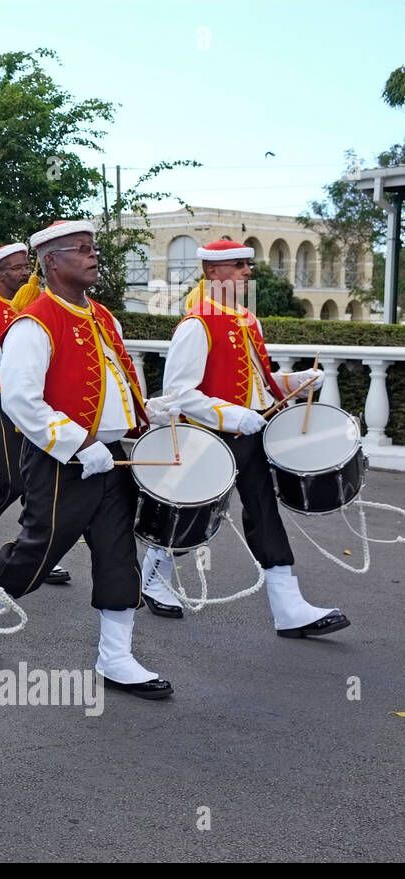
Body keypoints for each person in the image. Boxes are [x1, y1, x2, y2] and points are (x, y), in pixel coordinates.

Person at [0, 221, 175, 700]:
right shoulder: (35, 322)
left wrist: (146, 415)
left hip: (113, 458)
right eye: (81, 249)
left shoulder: (103, 316)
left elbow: (116, 380)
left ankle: (116, 657)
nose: (93, 255)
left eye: (93, 248)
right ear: (52, 262)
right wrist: (79, 445)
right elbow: (20, 400)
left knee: (119, 553)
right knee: (41, 549)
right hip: (61, 459)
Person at [141, 240, 346, 639]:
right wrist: (233, 416)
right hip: (209, 435)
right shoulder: (197, 323)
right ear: (213, 272)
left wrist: (294, 382)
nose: (247, 272)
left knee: (262, 511)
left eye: (247, 265)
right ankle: (151, 577)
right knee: (190, 513)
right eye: (238, 265)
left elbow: (257, 385)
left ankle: (288, 608)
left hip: (250, 433)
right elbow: (181, 393)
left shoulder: (248, 320)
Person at [0, 241, 70, 589]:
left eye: (26, 266)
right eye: (17, 268)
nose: (26, 272)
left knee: (40, 477)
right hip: (0, 399)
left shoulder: (40, 301)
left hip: (39, 400)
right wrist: (26, 348)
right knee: (12, 479)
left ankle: (37, 553)